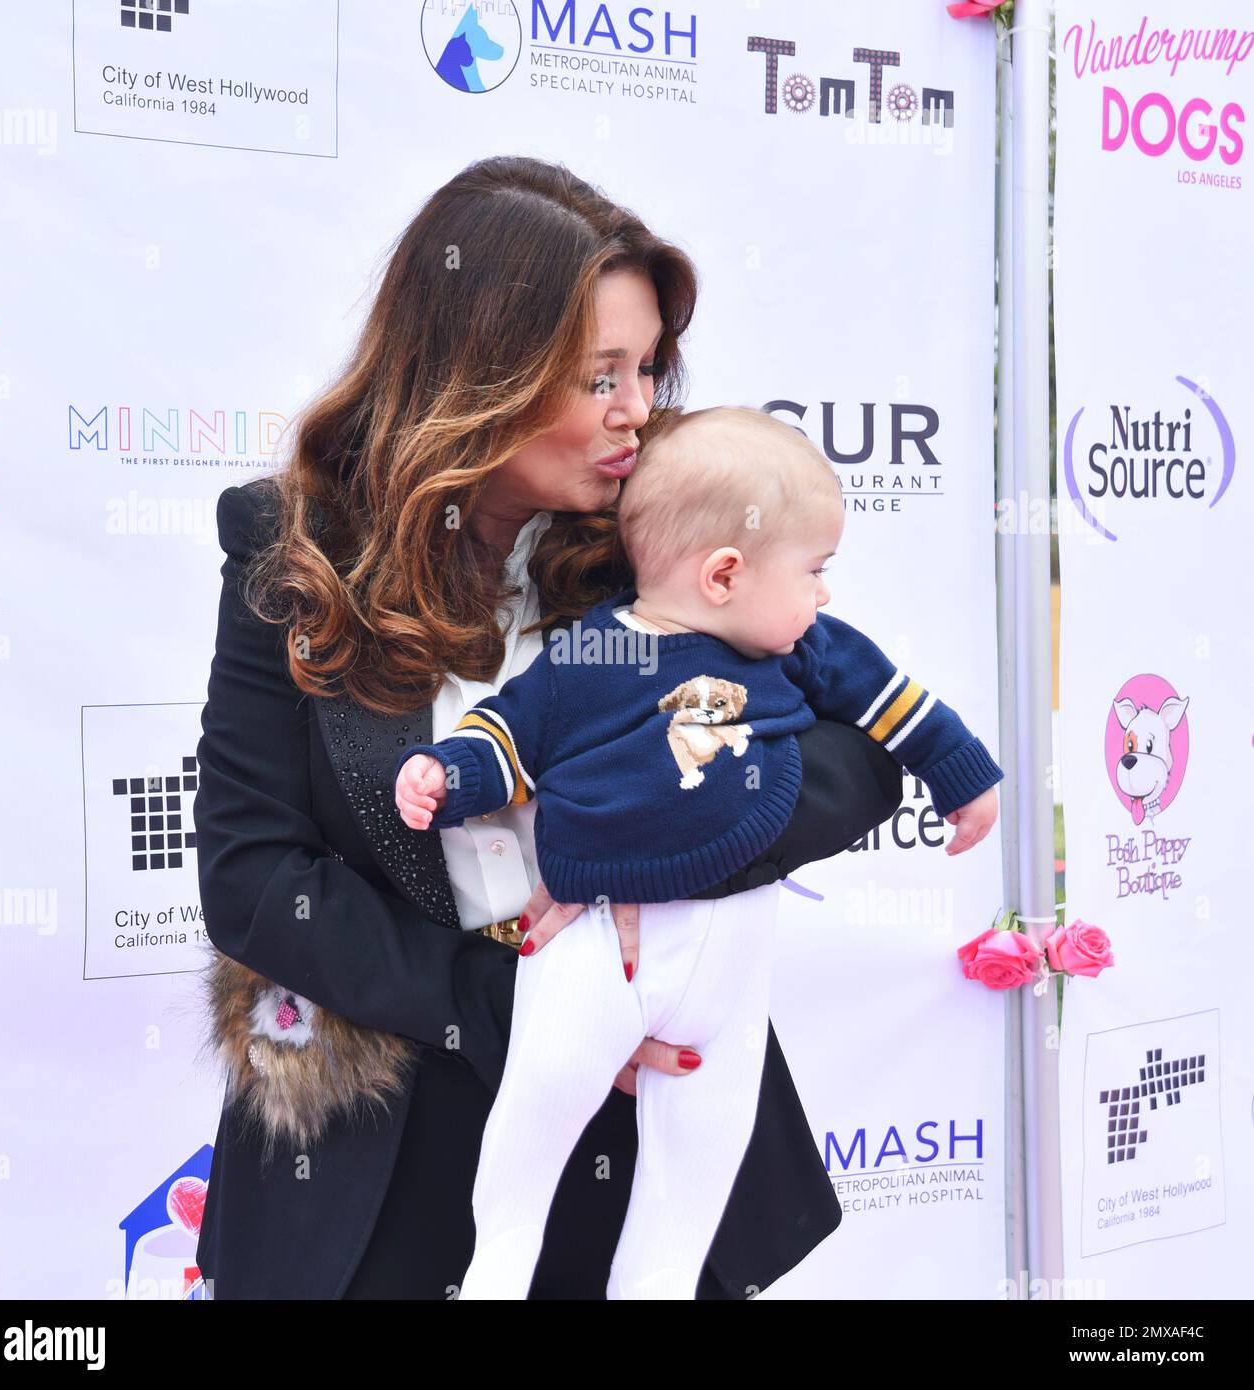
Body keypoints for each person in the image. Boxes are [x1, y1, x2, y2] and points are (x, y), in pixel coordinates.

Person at [192, 155, 909, 1300]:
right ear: (482, 373)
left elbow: (861, 748)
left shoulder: (663, 524)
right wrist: (525, 1007)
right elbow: (252, 872)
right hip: (398, 1127)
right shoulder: (296, 551)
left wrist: (649, 846)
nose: (638, 411)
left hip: (654, 1114)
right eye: (599, 376)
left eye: (647, 369)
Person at [394, 405, 1003, 1299]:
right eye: (815, 571)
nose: (825, 596)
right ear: (725, 573)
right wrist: (447, 773)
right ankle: (497, 1270)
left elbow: (892, 706)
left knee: (700, 1161)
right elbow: (511, 732)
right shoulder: (592, 651)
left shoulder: (802, 648)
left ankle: (660, 1286)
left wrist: (960, 774)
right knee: (535, 1116)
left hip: (728, 977)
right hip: (592, 952)